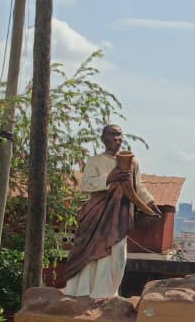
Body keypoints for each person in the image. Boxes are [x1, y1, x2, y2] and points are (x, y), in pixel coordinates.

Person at [63, 125, 159, 298]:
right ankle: (85, 292)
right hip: (97, 214)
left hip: (120, 214)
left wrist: (150, 202)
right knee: (93, 253)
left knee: (117, 255)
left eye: (119, 134)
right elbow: (86, 185)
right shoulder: (95, 161)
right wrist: (109, 178)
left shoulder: (132, 162)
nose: (117, 138)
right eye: (112, 134)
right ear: (103, 138)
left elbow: (138, 186)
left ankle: (107, 293)